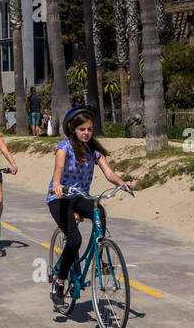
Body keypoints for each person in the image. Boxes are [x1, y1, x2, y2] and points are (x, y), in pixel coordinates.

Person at [47, 107, 135, 308]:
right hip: (59, 198)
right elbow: (58, 168)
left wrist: (123, 184)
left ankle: (100, 253)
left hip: (80, 197)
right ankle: (59, 283)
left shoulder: (93, 150)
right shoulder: (64, 147)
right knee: (75, 240)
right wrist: (57, 184)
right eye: (82, 129)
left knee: (100, 212)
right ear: (73, 129)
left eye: (89, 129)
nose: (86, 133)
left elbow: (109, 173)